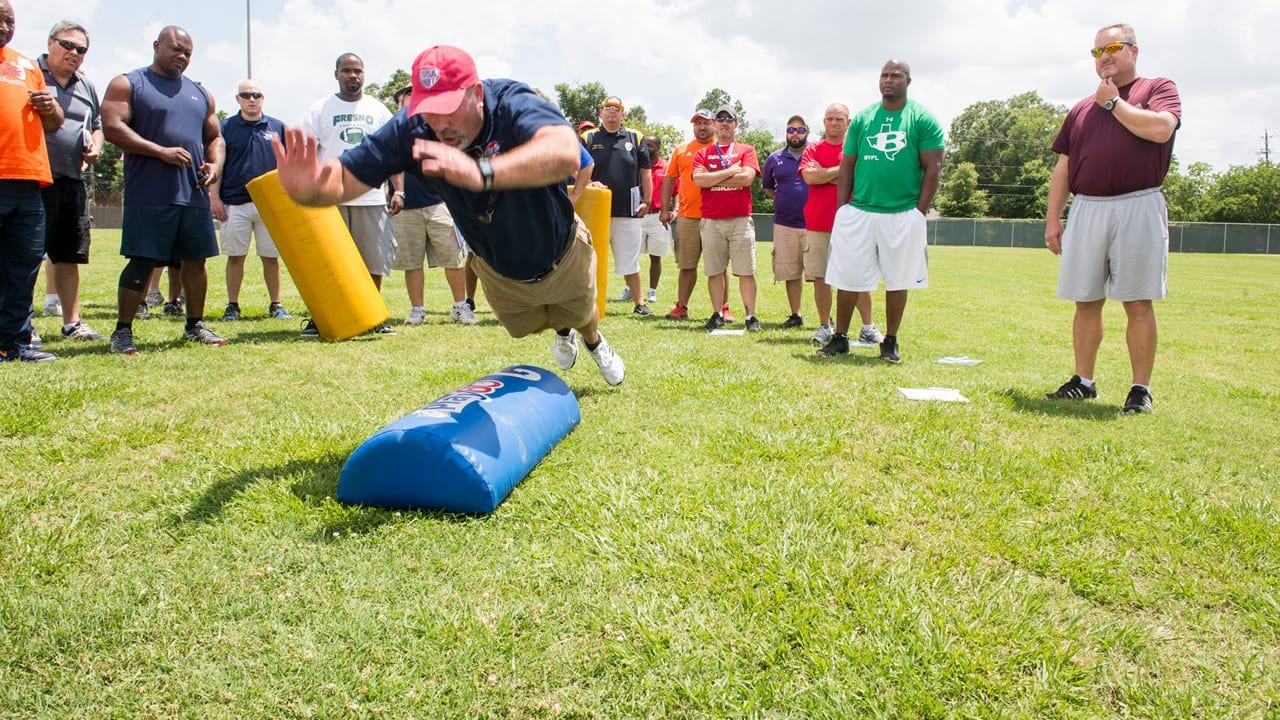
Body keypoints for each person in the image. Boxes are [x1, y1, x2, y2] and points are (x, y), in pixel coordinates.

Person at [272, 45, 625, 385]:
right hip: (499, 268)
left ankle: (592, 341)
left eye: (449, 107)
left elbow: (564, 153)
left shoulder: (512, 102)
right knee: (527, 325)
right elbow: (345, 177)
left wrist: (481, 173)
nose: (440, 123)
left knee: (581, 314)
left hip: (559, 249)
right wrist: (312, 190)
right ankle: (562, 330)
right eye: (429, 109)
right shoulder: (412, 129)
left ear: (475, 92)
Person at [1043, 24, 1180, 414]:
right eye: (1097, 51)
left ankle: (1140, 389)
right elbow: (1064, 166)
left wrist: (1113, 103)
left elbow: (1160, 129)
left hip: (1137, 203)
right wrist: (1054, 218)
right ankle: (1083, 380)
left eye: (1114, 47)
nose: (1105, 56)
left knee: (1137, 301)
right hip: (1087, 206)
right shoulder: (1081, 108)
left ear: (1134, 51)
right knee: (1085, 299)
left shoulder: (1157, 89)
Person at [101, 26, 226, 355]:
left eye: (187, 52)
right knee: (142, 260)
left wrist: (214, 166)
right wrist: (160, 151)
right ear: (156, 46)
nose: (182, 56)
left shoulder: (201, 93)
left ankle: (194, 324)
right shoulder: (130, 83)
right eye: (175, 49)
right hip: (151, 191)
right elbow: (113, 127)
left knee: (196, 261)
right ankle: (123, 332)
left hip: (193, 192)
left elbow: (215, 138)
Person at [818, 59, 943, 363]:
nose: (888, 80)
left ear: (907, 82)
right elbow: (848, 164)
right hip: (860, 209)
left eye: (895, 76)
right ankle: (840, 338)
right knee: (848, 276)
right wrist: (842, 209)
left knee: (898, 278)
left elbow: (933, 167)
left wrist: (919, 211)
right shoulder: (863, 118)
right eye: (884, 75)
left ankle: (890, 341)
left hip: (902, 212)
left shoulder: (923, 119)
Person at [299, 52, 396, 336]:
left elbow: (393, 152)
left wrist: (398, 190)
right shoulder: (320, 109)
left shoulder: (378, 110)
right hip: (331, 199)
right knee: (327, 261)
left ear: (364, 74)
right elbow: (307, 154)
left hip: (371, 196)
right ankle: (321, 318)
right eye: (347, 71)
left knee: (372, 260)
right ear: (336, 74)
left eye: (358, 71)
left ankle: (373, 316)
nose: (353, 75)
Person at [0, 0, 62, 362]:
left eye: (9, 20)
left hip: (29, 180)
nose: (4, 26)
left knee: (23, 267)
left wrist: (50, 109)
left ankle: (14, 342)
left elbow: (52, 124)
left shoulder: (27, 66)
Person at [39, 20, 105, 342]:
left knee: (68, 255)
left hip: (71, 181)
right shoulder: (30, 74)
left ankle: (72, 324)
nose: (74, 53)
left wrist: (96, 145)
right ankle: (22, 326)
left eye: (81, 49)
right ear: (50, 42)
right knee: (25, 257)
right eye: (67, 45)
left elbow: (98, 125)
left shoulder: (86, 86)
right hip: (32, 180)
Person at [388, 84, 473, 326]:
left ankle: (460, 307)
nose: (411, 99)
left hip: (439, 202)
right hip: (405, 205)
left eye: (414, 95)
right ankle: (417, 310)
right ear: (398, 103)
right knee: (412, 262)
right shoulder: (392, 130)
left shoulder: (435, 125)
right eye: (406, 96)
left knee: (453, 257)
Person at [209, 79, 292, 321]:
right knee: (236, 256)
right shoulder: (225, 128)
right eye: (246, 95)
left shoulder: (278, 128)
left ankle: (276, 304)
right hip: (235, 203)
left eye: (256, 95)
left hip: (270, 205)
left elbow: (288, 167)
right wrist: (214, 199)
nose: (252, 99)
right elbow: (217, 166)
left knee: (271, 257)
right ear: (238, 99)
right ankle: (232, 305)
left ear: (263, 98)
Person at [801, 103, 881, 345]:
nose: (834, 123)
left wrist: (826, 174)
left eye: (839, 119)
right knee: (820, 277)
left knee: (857, 277)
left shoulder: (859, 147)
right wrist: (843, 172)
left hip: (853, 223)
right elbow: (809, 176)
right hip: (817, 223)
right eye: (829, 119)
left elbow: (862, 180)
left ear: (849, 122)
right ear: (823, 122)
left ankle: (868, 327)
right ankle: (825, 326)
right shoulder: (813, 148)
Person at [692, 105, 761, 332]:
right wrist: (731, 170)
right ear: (714, 124)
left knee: (746, 270)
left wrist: (713, 179)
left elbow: (746, 179)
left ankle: (750, 316)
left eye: (728, 119)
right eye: (719, 119)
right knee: (714, 270)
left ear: (735, 124)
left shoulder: (746, 149)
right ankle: (717, 313)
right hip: (711, 220)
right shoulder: (703, 153)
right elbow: (699, 181)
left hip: (740, 219)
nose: (723, 123)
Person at [584, 95, 653, 316]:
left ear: (623, 114)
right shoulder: (588, 137)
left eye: (617, 109)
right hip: (595, 211)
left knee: (630, 260)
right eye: (608, 108)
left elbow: (645, 171)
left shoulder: (636, 136)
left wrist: (647, 200)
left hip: (627, 211)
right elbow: (577, 168)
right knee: (589, 260)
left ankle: (640, 303)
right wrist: (588, 182)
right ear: (600, 113)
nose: (612, 112)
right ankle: (588, 304)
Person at [659, 107, 728, 321]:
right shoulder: (681, 149)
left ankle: (723, 309)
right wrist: (664, 209)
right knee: (686, 265)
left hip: (716, 215)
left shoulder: (724, 148)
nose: (702, 126)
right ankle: (682, 306)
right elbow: (669, 179)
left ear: (714, 124)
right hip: (688, 216)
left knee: (719, 266)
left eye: (706, 122)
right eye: (698, 123)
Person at [761, 115, 809, 329]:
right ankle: (795, 314)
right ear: (786, 132)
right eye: (791, 129)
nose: (795, 134)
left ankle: (826, 318)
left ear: (807, 132)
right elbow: (769, 187)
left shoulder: (815, 153)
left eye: (800, 130)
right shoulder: (774, 158)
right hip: (785, 223)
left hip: (815, 223)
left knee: (820, 273)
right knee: (791, 272)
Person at [639, 134, 669, 304]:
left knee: (655, 256)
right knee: (631, 254)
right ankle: (630, 288)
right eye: (644, 145)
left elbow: (676, 190)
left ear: (658, 147)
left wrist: (676, 209)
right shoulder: (637, 164)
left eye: (649, 145)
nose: (646, 148)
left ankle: (652, 291)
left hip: (657, 216)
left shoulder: (666, 167)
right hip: (638, 215)